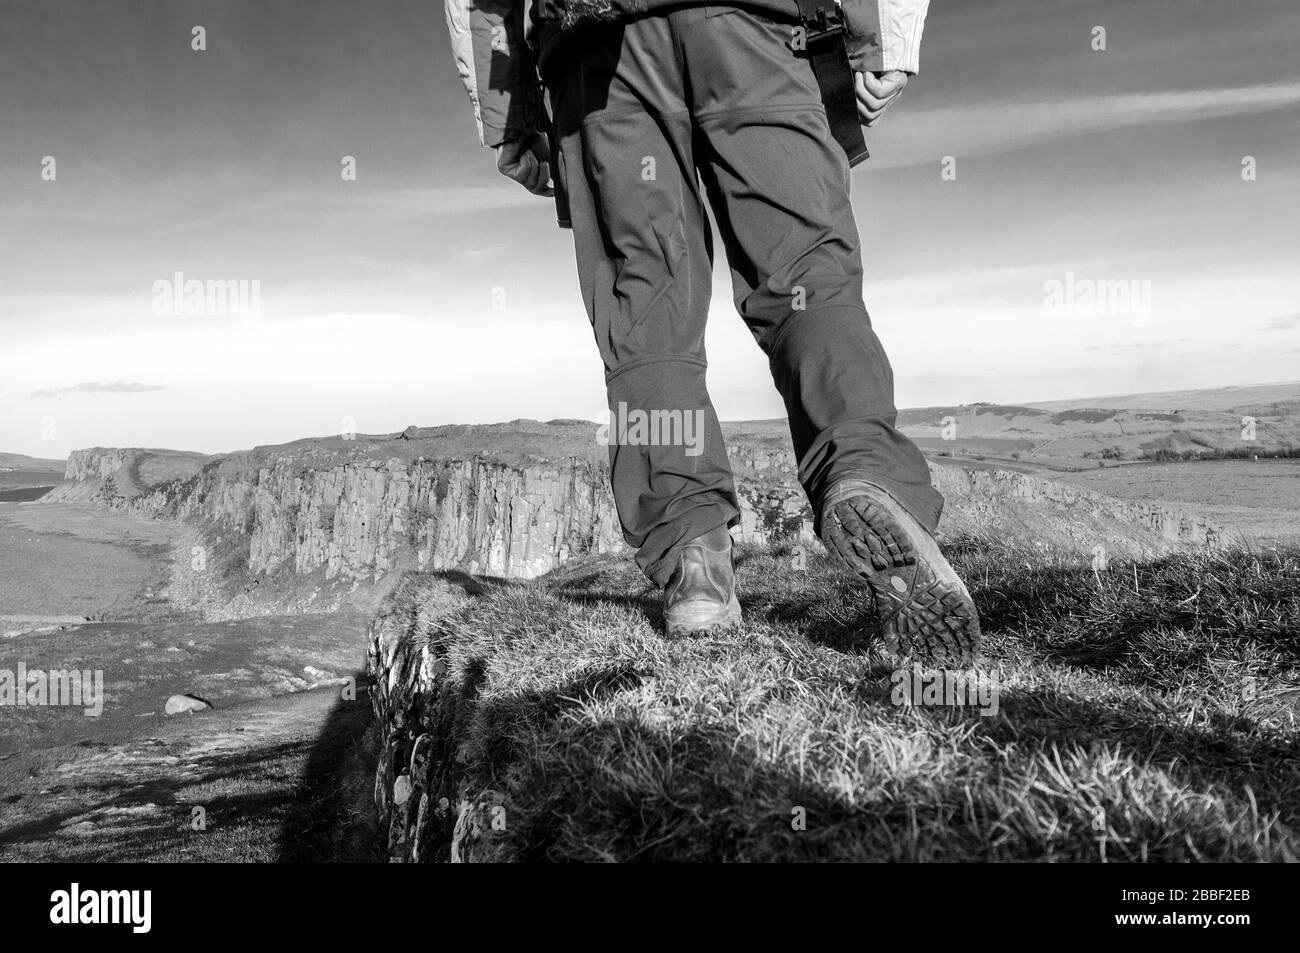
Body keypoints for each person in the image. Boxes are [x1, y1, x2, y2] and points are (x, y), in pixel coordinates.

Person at [444, 0, 980, 659]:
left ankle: (693, 555)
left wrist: (510, 114)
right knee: (807, 277)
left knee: (645, 308)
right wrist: (884, 35)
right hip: (749, 23)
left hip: (594, 52)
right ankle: (866, 469)